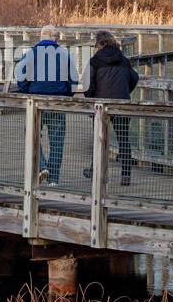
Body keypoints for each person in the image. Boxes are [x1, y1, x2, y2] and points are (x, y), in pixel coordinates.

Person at [12, 25, 78, 185]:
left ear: (41, 36)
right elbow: (73, 79)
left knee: (32, 135)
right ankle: (53, 178)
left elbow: (21, 77)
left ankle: (42, 167)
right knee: (57, 141)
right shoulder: (64, 54)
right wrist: (67, 93)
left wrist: (27, 91)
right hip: (57, 102)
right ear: (55, 38)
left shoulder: (30, 53)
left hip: (35, 101)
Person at [82, 30, 139, 186]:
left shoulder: (95, 61)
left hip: (102, 105)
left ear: (100, 44)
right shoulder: (123, 60)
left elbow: (88, 85)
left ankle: (97, 173)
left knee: (100, 139)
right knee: (124, 140)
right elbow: (135, 78)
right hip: (121, 104)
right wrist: (126, 91)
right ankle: (126, 176)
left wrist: (91, 98)